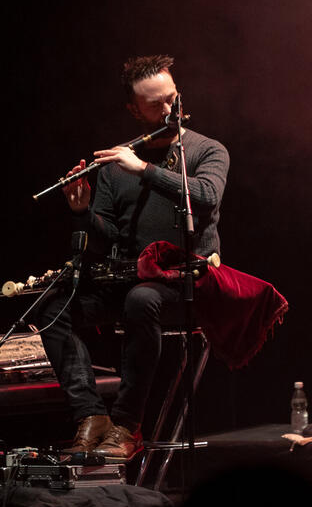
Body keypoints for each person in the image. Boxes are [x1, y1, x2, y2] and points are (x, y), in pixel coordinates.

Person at [39, 54, 229, 461]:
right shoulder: (115, 166)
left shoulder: (207, 150)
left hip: (187, 282)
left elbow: (207, 196)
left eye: (173, 98)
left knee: (141, 300)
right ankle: (91, 416)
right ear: (134, 110)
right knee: (54, 310)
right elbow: (107, 239)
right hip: (131, 280)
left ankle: (127, 424)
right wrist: (82, 212)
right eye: (156, 104)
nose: (170, 109)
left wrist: (143, 169)